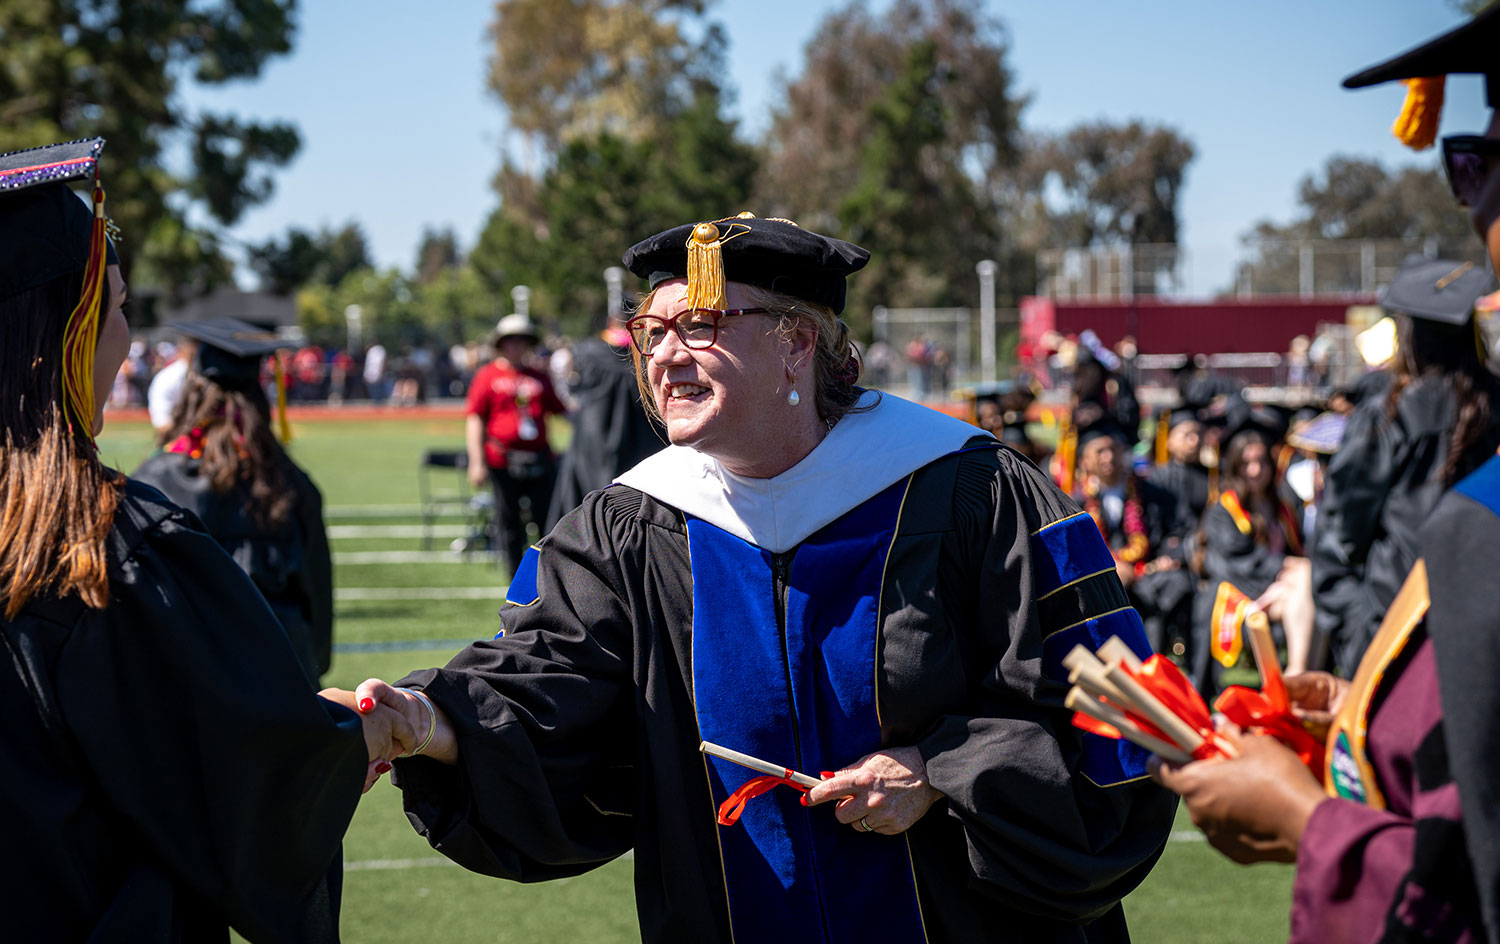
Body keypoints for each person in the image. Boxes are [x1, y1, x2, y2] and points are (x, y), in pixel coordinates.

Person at [340, 214, 1176, 942]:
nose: (665, 357)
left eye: (700, 326)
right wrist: (429, 717)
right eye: (652, 332)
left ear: (797, 344)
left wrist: (940, 770)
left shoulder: (977, 495)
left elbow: (1117, 728)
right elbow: (548, 690)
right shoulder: (628, 529)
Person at [0, 138, 413, 942]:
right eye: (114, 306)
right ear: (69, 327)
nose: (123, 339)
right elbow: (244, 805)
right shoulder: (100, 548)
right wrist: (345, 736)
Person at [1155, 11, 1500, 942]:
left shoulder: (1386, 420)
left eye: (1486, 166)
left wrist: (1316, 823)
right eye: (1468, 163)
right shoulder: (1485, 410)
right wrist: (1366, 710)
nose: (1476, 206)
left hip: (1397, 607)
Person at [1311, 254, 1500, 676]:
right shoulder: (1494, 407)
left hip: (1397, 626)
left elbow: (1341, 537)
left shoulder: (1389, 417)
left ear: (1409, 334)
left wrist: (1357, 632)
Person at [132, 317, 335, 686]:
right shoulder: (290, 484)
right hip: (283, 677)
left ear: (191, 392)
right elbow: (316, 599)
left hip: (187, 680)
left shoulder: (154, 481)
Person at [1194, 416, 1315, 693]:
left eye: (1261, 461)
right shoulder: (1225, 509)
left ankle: (1299, 677)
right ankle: (1299, 676)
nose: (1256, 469)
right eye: (1247, 463)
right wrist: (1286, 567)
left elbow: (1298, 546)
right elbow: (1237, 562)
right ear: (1236, 466)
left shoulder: (1282, 504)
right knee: (1306, 579)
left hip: (1285, 591)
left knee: (1307, 589)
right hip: (1240, 592)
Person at [1072, 420, 1196, 660]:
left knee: (1173, 584)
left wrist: (1170, 557)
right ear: (1085, 460)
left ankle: (1154, 664)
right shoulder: (1074, 502)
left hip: (1149, 574)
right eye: (1100, 451)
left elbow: (1180, 530)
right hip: (1098, 580)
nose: (1108, 457)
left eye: (1114, 450)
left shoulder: (1153, 493)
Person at [465, 312, 567, 574]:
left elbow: (561, 410)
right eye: (511, 340)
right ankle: (514, 578)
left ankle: (546, 575)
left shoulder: (539, 377)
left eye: (522, 340)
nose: (516, 345)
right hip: (502, 460)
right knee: (508, 522)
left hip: (540, 460)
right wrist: (476, 462)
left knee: (546, 520)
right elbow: (475, 419)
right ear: (501, 344)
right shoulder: (486, 376)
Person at [544, 314, 664, 530]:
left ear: (610, 320)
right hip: (641, 441)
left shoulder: (586, 351)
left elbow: (572, 389)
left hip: (591, 441)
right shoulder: (646, 354)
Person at [1150, 408, 1211, 530]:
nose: (1195, 441)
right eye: (1187, 435)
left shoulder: (1212, 477)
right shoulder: (1156, 478)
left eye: (1199, 434)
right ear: (1169, 440)